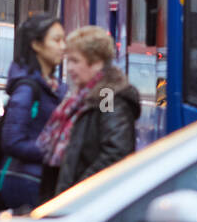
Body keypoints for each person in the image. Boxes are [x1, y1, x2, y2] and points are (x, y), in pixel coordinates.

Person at [38, 25, 140, 197]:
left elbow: (116, 152)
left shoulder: (106, 94)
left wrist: (79, 190)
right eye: (68, 61)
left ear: (97, 63)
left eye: (75, 61)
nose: (69, 68)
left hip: (83, 200)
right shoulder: (81, 96)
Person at [0, 13, 67, 208]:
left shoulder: (54, 86)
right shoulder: (26, 89)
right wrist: (56, 152)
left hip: (42, 180)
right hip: (27, 183)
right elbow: (12, 141)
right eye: (56, 40)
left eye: (64, 40)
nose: (63, 47)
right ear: (36, 45)